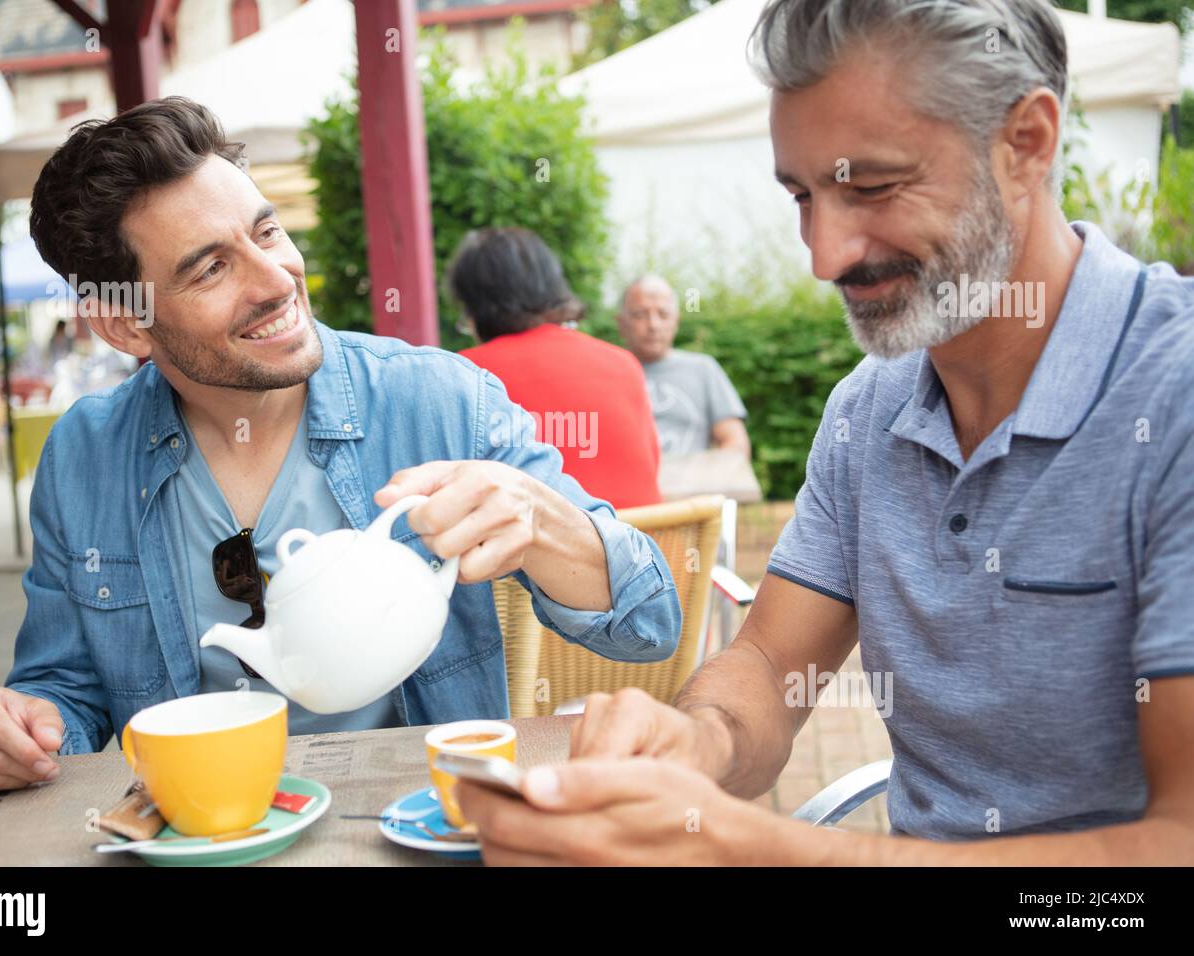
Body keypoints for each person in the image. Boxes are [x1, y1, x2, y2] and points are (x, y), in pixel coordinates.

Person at [456, 0, 1194, 865]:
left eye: (872, 187)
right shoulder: (869, 409)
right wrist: (696, 747)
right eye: (802, 195)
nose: (825, 255)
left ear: (1026, 144)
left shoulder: (1172, 395)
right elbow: (768, 662)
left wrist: (761, 849)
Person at [0, 97, 681, 797]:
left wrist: (544, 525)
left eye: (267, 232)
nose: (277, 280)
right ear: (124, 325)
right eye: (211, 267)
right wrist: (18, 729)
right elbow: (65, 690)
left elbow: (653, 622)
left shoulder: (440, 400)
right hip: (196, 838)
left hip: (411, 828)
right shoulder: (83, 457)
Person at [453, 227, 661, 509]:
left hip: (537, 550)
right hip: (644, 547)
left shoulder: (463, 374)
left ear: (475, 309)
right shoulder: (624, 363)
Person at [618, 274, 750, 457]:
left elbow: (736, 443)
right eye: (640, 315)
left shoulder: (704, 370)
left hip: (694, 483)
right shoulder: (606, 374)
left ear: (676, 321)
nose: (653, 325)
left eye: (663, 314)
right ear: (621, 323)